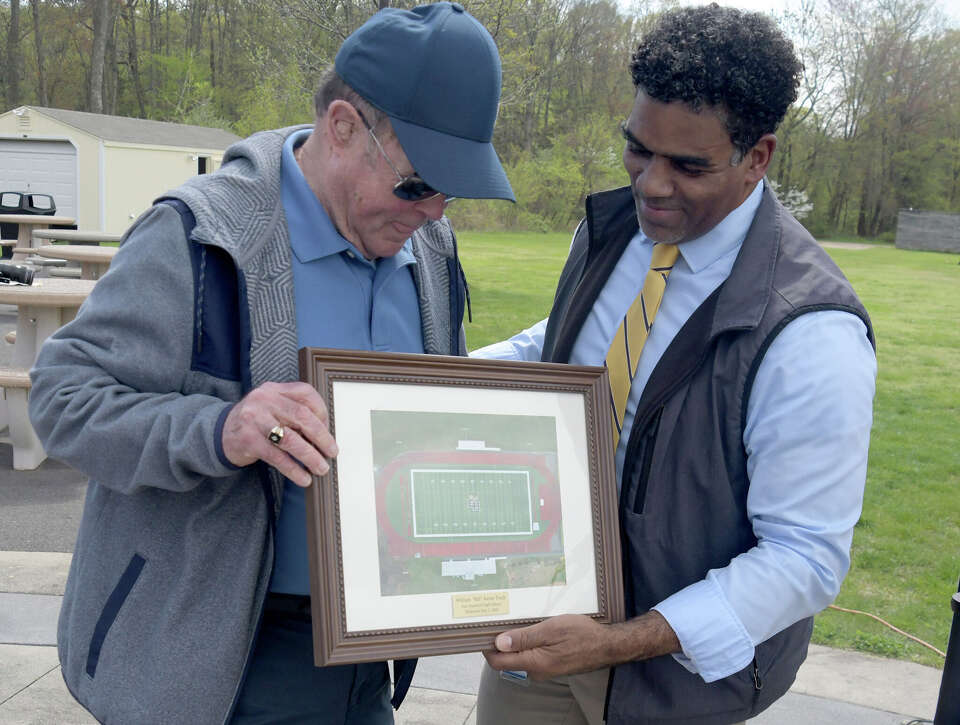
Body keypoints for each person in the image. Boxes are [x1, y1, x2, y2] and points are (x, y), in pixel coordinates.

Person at [27, 3, 513, 723]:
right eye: (417, 184)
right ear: (343, 128)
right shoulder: (195, 237)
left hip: (364, 646)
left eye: (452, 189)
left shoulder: (429, 252)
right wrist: (221, 429)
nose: (436, 210)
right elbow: (62, 398)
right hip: (220, 647)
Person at [475, 5, 877, 724]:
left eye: (688, 165)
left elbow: (805, 559)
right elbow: (563, 347)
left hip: (669, 686)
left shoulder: (811, 332)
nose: (652, 185)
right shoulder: (612, 232)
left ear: (759, 156)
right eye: (638, 149)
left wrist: (613, 641)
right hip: (539, 629)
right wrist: (406, 386)